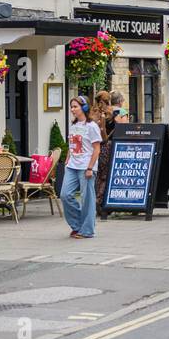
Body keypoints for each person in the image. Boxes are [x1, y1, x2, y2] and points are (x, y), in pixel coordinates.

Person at [60, 96, 101, 239]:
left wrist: (90, 168)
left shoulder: (92, 126)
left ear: (84, 108)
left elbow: (96, 149)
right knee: (65, 195)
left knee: (87, 199)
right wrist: (67, 159)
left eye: (75, 106)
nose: (72, 109)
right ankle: (77, 225)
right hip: (72, 166)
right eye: (71, 107)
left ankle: (87, 230)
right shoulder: (73, 125)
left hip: (86, 167)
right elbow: (71, 146)